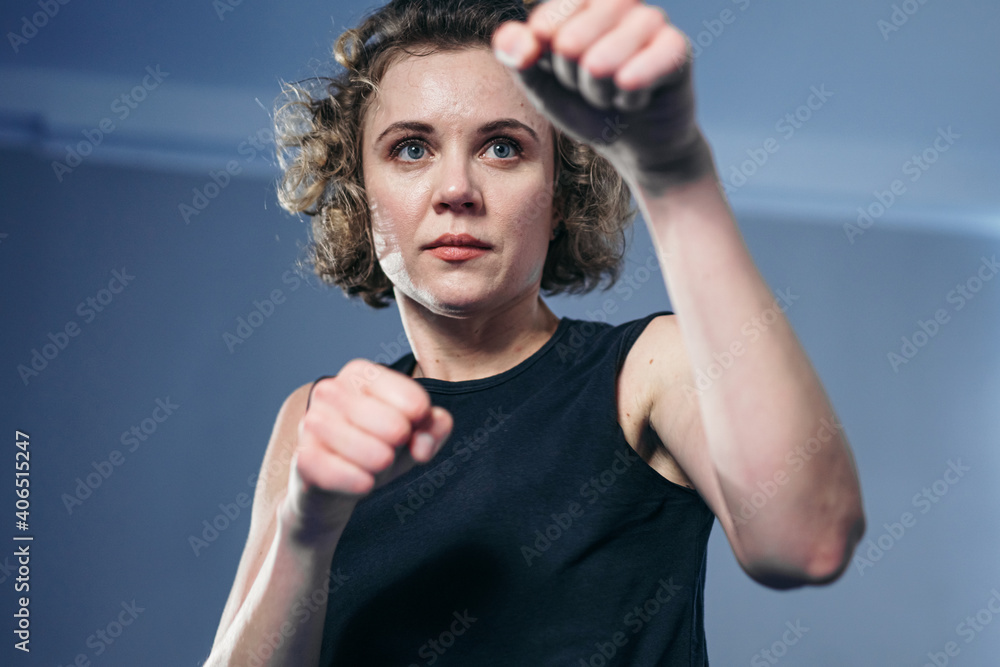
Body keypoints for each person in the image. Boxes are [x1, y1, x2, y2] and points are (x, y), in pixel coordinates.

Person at [205, 0, 866, 664]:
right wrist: (305, 531)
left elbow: (807, 538)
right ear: (359, 194)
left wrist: (673, 173)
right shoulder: (317, 420)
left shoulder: (644, 372)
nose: (456, 188)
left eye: (502, 147)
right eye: (411, 148)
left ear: (558, 194)